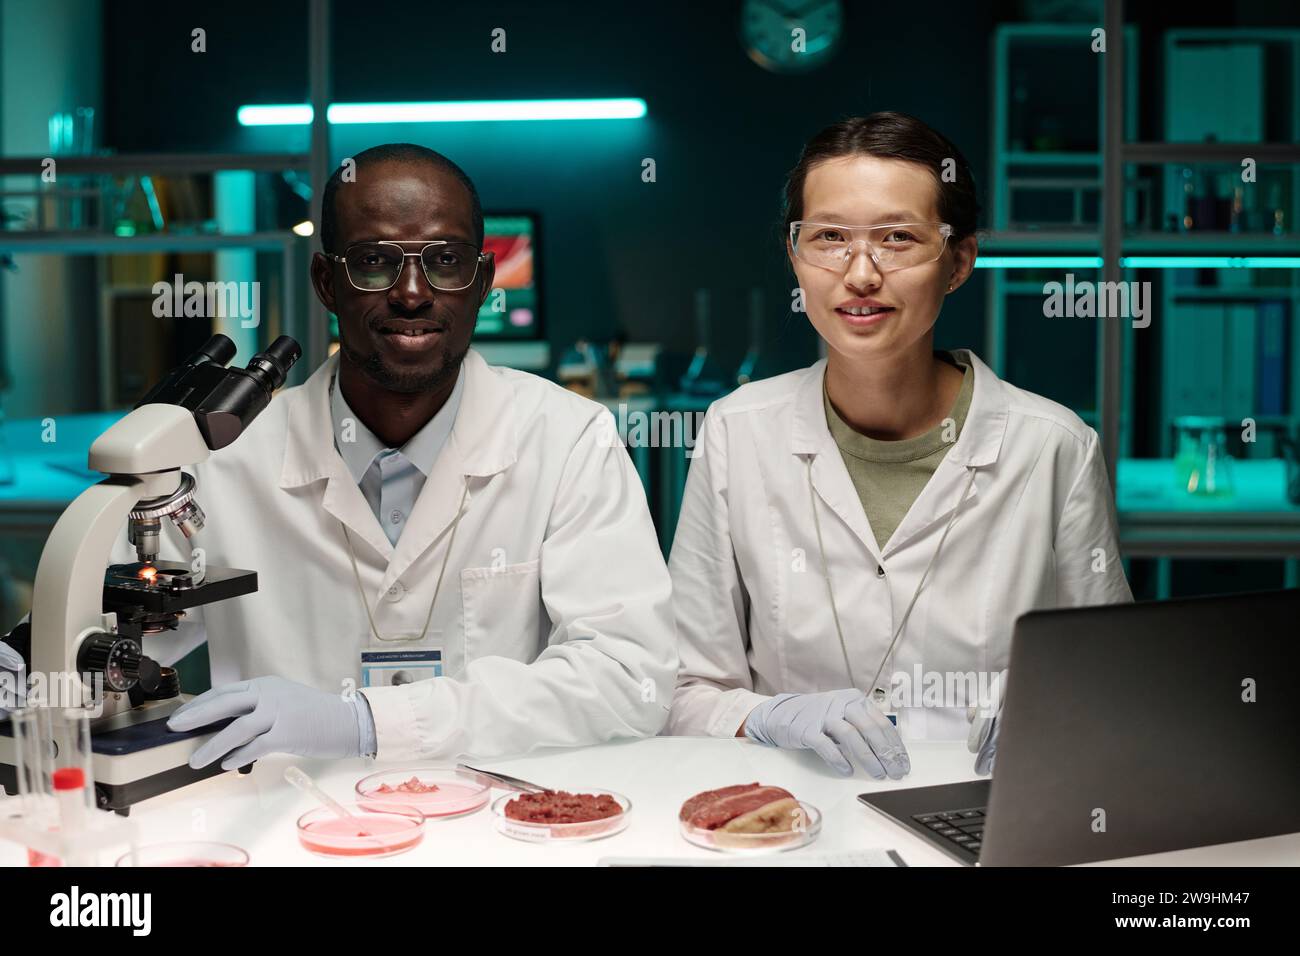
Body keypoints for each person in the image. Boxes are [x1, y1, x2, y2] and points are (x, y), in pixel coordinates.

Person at [1, 144, 676, 768]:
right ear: (327, 281)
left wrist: (364, 724)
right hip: (285, 832)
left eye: (443, 259)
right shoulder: (227, 458)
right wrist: (25, 667)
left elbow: (629, 680)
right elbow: (103, 631)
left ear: (482, 279)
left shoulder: (567, 438)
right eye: (375, 260)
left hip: (505, 833)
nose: (412, 293)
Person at [664, 112, 1132, 778]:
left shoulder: (1052, 446)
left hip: (986, 816)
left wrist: (1055, 709)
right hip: (792, 818)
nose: (859, 273)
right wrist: (764, 717)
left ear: (959, 261)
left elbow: (1115, 685)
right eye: (828, 237)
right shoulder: (738, 431)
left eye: (897, 238)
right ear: (795, 253)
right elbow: (681, 690)